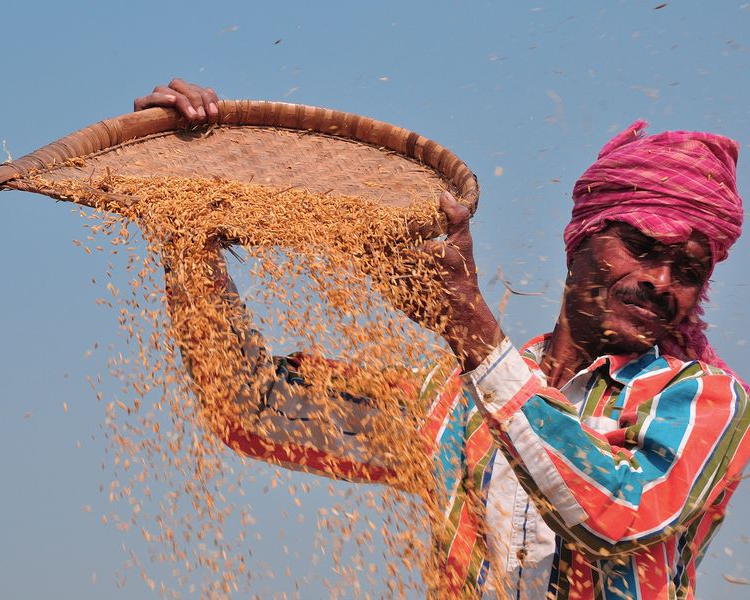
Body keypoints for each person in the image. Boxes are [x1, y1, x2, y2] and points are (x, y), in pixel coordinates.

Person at [135, 79, 750, 599]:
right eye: (640, 249)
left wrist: (470, 326)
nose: (660, 282)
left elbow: (620, 514)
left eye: (688, 271)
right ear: (581, 238)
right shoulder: (456, 399)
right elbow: (251, 408)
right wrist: (184, 225)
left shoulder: (705, 402)